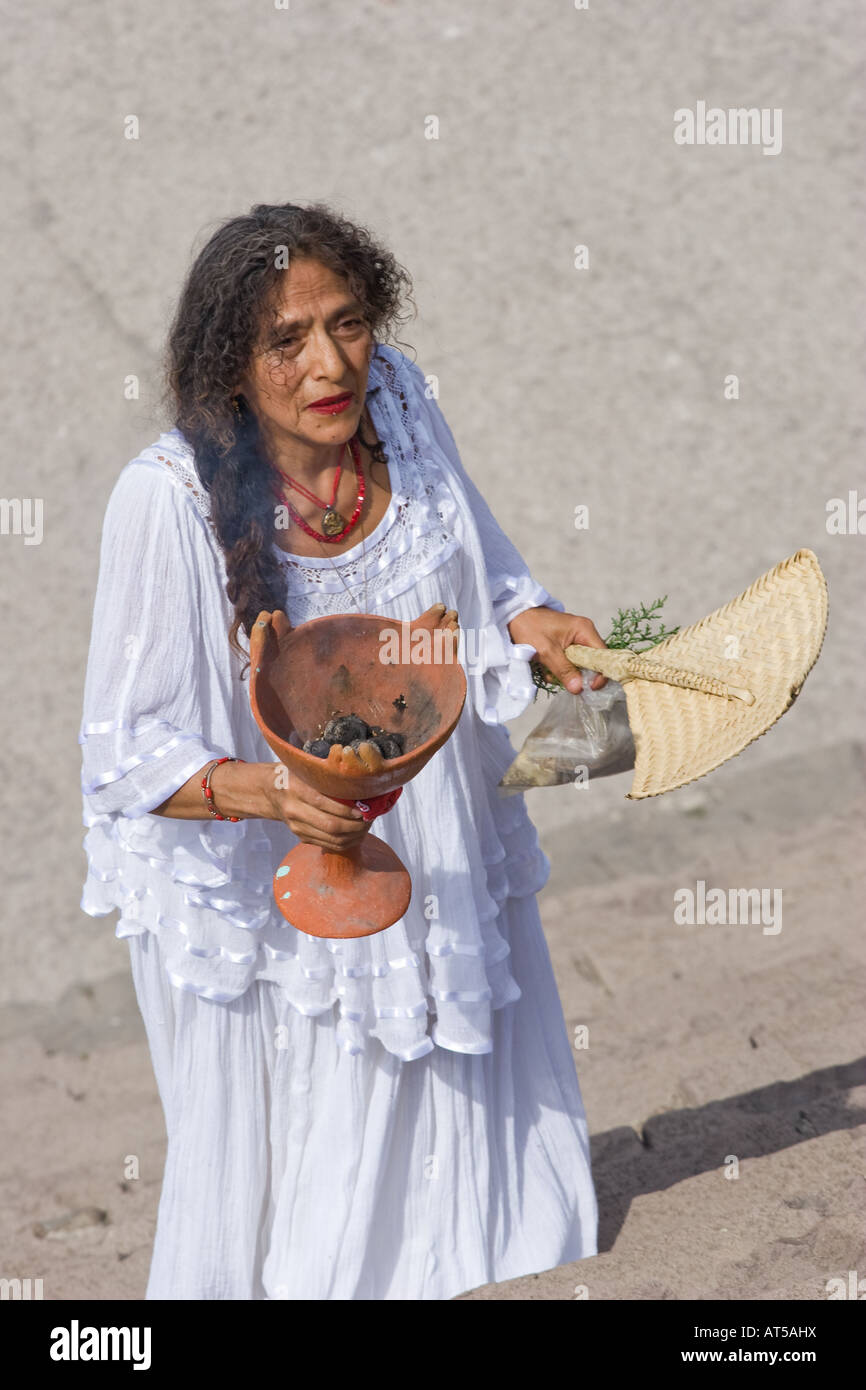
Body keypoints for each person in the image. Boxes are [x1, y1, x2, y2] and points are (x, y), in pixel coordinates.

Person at [79, 200, 609, 1301]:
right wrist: (278, 791)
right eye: (287, 339)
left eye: (349, 322)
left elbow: (479, 572)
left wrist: (532, 625)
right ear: (230, 365)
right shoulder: (165, 501)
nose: (332, 362)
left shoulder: (402, 404)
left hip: (435, 829)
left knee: (470, 1146)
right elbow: (127, 753)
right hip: (279, 877)